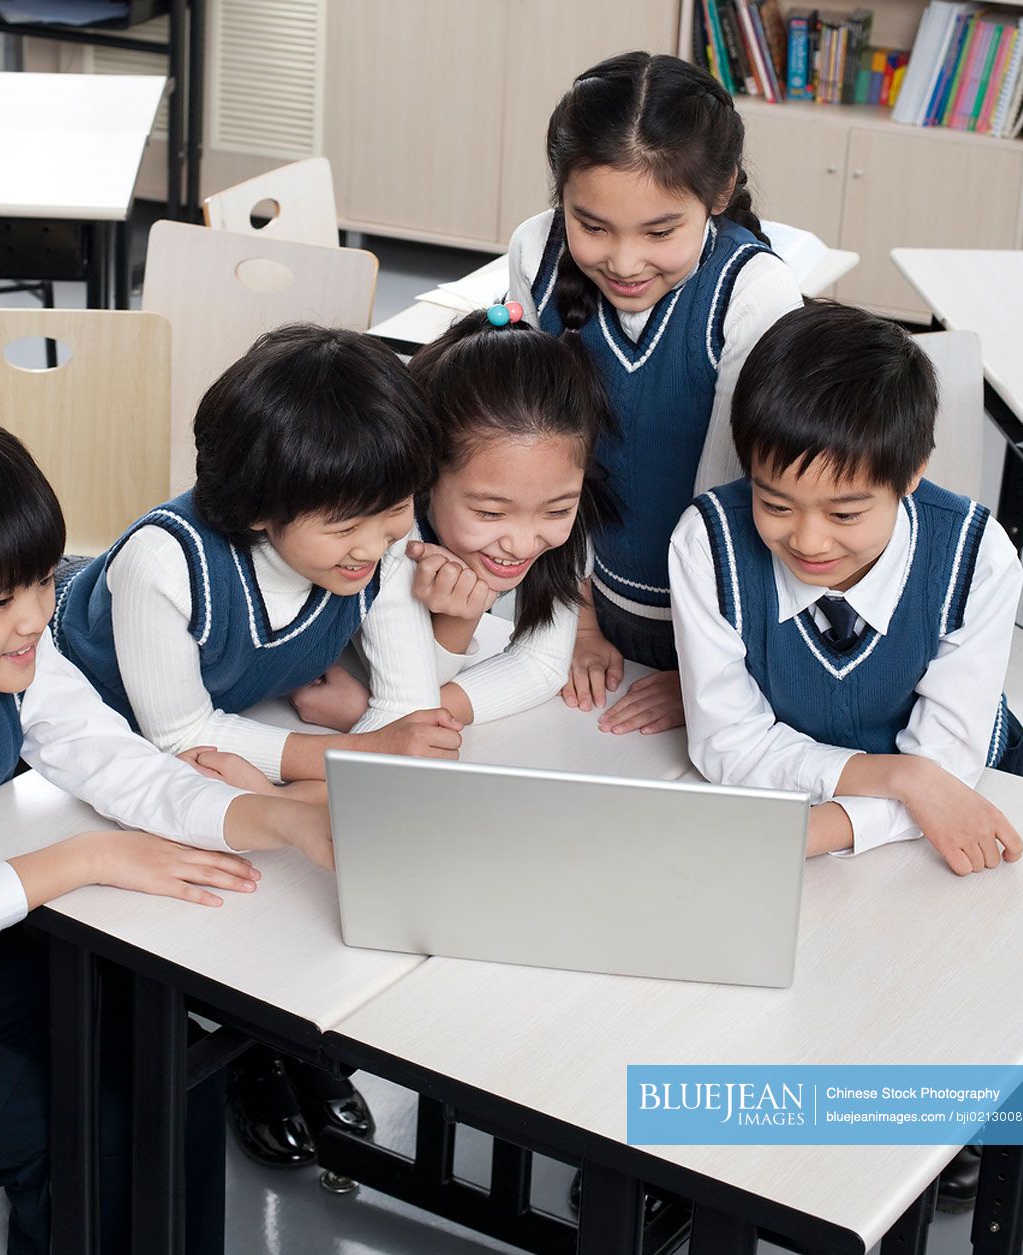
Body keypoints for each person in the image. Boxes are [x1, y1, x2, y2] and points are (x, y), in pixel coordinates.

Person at [0, 420, 332, 1255]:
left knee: (172, 1073)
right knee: (84, 1130)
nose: (37, 617)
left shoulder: (9, 655)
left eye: (44, 582)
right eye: (2, 598)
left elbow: (118, 765)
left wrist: (280, 818)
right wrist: (82, 857)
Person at [52, 324, 460, 1171]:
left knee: (304, 873)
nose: (376, 543)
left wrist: (366, 750)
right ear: (257, 506)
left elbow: (408, 713)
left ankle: (291, 1044)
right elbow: (180, 735)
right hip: (93, 737)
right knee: (228, 888)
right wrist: (353, 757)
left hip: (240, 720)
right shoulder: (164, 563)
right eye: (347, 523)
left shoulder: (372, 543)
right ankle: (257, 1052)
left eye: (394, 511)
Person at [669, 302, 1023, 1213]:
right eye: (773, 501)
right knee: (775, 979)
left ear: (910, 476)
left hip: (967, 787)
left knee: (944, 978)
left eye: (845, 509)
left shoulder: (975, 555)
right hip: (816, 796)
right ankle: (739, 1156)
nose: (808, 539)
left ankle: (948, 1120)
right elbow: (724, 743)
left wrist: (836, 821)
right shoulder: (705, 543)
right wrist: (891, 779)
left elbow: (945, 760)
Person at [508, 50, 803, 735]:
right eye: (591, 225)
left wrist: (705, 677)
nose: (624, 260)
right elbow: (534, 465)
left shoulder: (753, 295)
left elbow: (739, 504)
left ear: (719, 192)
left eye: (660, 230)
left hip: (728, 643)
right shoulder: (533, 252)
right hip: (584, 604)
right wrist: (572, 619)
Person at [292, 304, 611, 730]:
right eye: (490, 512)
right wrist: (453, 631)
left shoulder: (555, 503)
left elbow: (541, 666)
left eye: (558, 509)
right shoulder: (385, 535)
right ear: (426, 476)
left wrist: (386, 714)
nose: (521, 541)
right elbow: (403, 683)